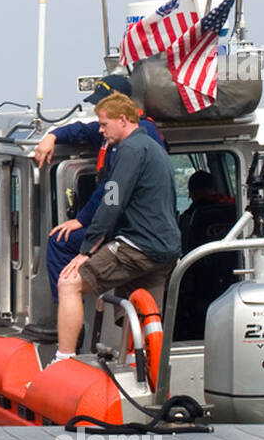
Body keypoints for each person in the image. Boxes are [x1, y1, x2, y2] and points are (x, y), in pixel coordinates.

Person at [55, 93, 182, 364]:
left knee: (69, 283)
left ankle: (63, 360)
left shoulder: (128, 151)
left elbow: (111, 202)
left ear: (122, 120)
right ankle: (144, 366)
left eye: (103, 124)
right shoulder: (152, 147)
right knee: (141, 311)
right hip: (166, 249)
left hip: (139, 247)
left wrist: (86, 250)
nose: (101, 131)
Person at [33, 74, 166, 301]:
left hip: (133, 228)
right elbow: (82, 131)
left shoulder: (136, 144)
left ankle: (66, 308)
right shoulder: (114, 135)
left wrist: (84, 226)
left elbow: (112, 192)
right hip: (130, 226)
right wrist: (52, 135)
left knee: (60, 243)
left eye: (104, 119)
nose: (100, 127)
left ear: (120, 112)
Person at [178, 170, 237, 251]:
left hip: (198, 260)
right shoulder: (234, 208)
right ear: (214, 188)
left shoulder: (189, 217)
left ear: (192, 192)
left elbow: (184, 247)